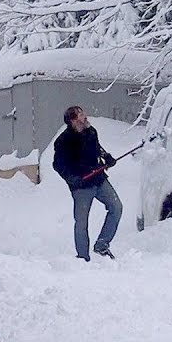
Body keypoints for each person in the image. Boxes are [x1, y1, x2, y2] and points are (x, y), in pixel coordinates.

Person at [52, 106, 122, 261]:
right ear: (73, 121)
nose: (85, 117)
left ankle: (102, 246)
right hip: (81, 186)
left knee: (116, 207)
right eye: (81, 115)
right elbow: (58, 165)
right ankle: (83, 257)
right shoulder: (64, 141)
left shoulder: (91, 131)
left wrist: (107, 157)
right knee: (82, 221)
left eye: (83, 113)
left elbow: (98, 148)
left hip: (99, 179)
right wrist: (71, 178)